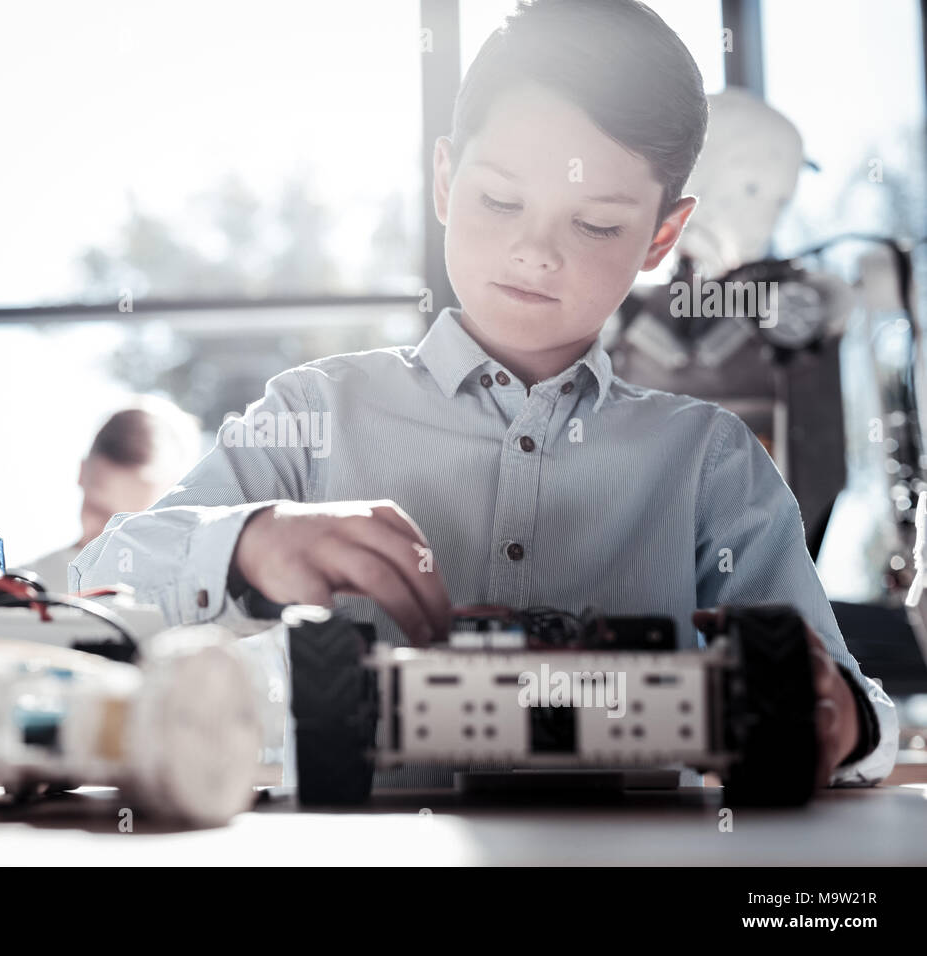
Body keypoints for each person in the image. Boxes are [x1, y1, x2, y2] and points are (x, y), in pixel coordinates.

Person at [70, 0, 896, 788]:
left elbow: (847, 695)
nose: (535, 252)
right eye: (501, 200)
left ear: (663, 237)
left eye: (597, 224)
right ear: (443, 180)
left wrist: (842, 720)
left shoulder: (711, 463)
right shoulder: (312, 414)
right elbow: (96, 589)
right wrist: (247, 540)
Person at [29, 397, 200, 590]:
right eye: (98, 511)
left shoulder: (183, 598)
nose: (107, 535)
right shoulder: (24, 587)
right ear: (82, 473)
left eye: (129, 524)